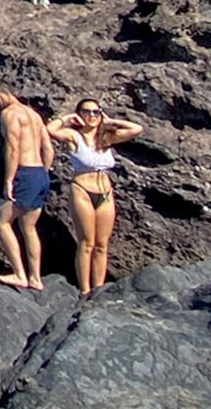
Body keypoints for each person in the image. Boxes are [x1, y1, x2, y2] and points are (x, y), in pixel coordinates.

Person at [47, 98, 144, 295]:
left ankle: (98, 290)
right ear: (79, 114)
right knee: (86, 243)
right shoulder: (75, 137)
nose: (91, 116)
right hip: (82, 190)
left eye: (96, 112)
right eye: (86, 111)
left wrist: (111, 122)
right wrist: (66, 118)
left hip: (105, 192)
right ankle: (84, 290)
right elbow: (50, 129)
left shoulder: (107, 138)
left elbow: (137, 129)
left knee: (101, 245)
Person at [0, 83, 55, 290]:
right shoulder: (33, 115)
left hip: (23, 173)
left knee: (1, 221)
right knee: (29, 227)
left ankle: (19, 274)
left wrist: (9, 179)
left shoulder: (9, 114)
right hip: (39, 174)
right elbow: (48, 149)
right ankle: (35, 278)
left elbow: (12, 149)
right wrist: (43, 171)